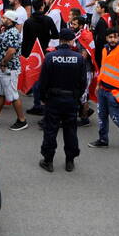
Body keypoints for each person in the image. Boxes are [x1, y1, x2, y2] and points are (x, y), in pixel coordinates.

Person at [36, 28, 87, 173]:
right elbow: (83, 82)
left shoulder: (50, 57)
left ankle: (48, 160)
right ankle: (70, 161)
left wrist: (43, 98)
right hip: (70, 99)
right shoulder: (79, 58)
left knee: (50, 130)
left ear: (60, 40)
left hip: (53, 99)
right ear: (71, 41)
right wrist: (76, 97)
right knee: (70, 130)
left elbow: (43, 81)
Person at [90, 28, 119, 150]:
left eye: (115, 37)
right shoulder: (105, 50)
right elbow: (103, 68)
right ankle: (103, 140)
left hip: (114, 92)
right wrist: (98, 85)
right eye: (110, 37)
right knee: (102, 116)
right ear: (106, 38)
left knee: (115, 117)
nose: (113, 39)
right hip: (102, 89)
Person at [0, 9, 28, 130]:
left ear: (10, 20)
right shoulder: (5, 30)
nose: (2, 19)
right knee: (0, 94)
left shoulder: (12, 32)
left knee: (13, 96)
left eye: (4, 18)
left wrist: (3, 62)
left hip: (8, 68)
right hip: (2, 68)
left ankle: (22, 120)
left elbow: (11, 50)